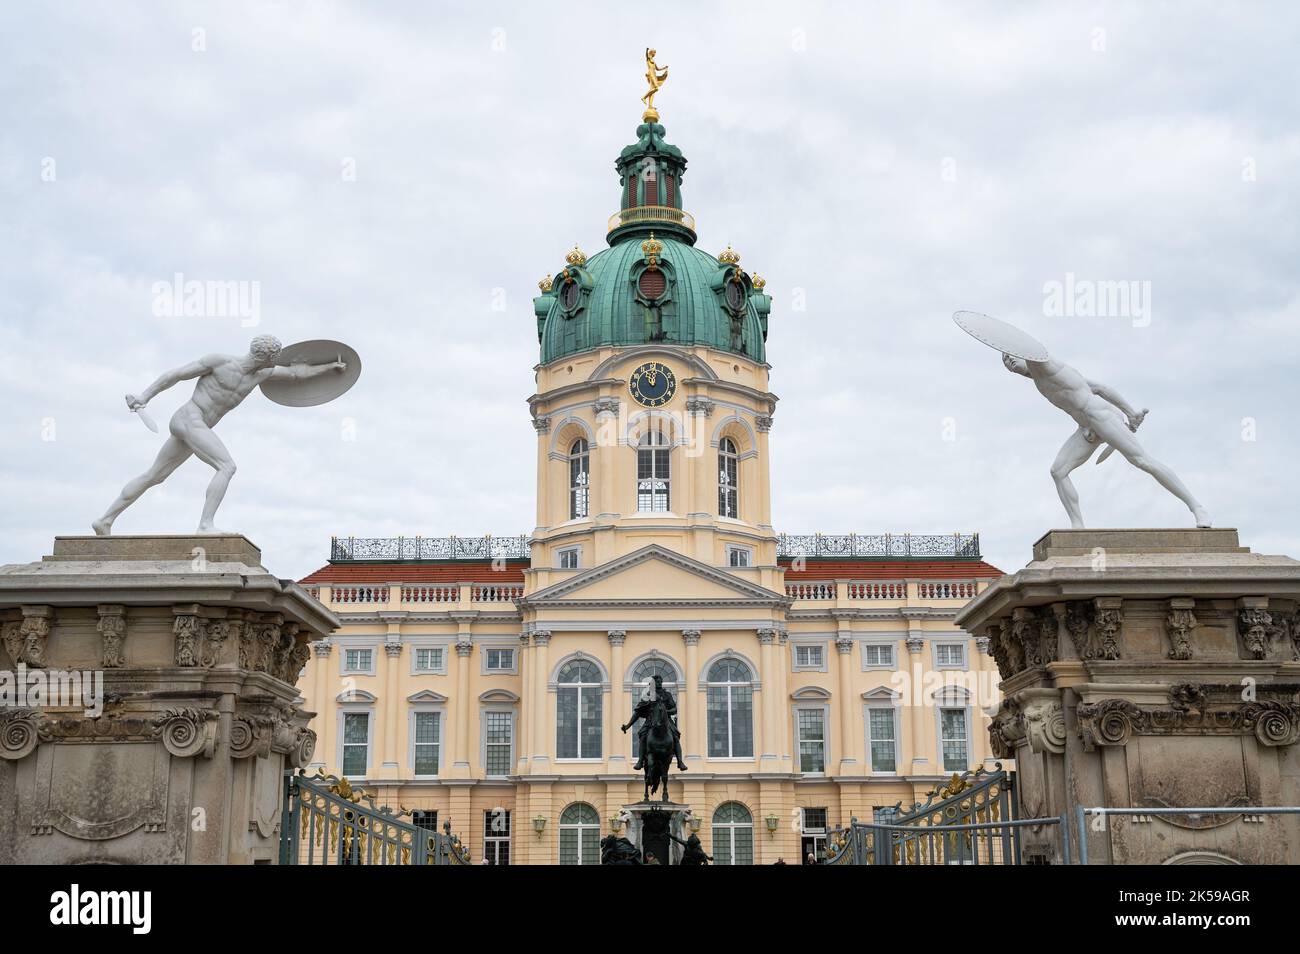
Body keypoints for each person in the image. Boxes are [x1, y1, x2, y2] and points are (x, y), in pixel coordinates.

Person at [93, 335, 346, 534]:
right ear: (266, 356)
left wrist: (331, 366)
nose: (276, 361)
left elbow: (295, 373)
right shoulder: (220, 362)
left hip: (197, 425)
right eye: (275, 357)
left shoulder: (262, 373)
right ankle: (205, 525)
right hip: (189, 418)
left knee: (154, 476)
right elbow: (176, 375)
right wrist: (144, 396)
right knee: (226, 466)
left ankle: (105, 520)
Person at [1001, 351, 1211, 529]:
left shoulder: (1048, 365)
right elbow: (1091, 385)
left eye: (1010, 355)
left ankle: (1197, 508)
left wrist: (1129, 413)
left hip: (1102, 416)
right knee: (1058, 471)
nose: (1008, 361)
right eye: (1005, 360)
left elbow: (1100, 389)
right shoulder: (1040, 381)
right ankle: (1078, 528)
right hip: (1086, 427)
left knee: (1142, 460)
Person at [622, 674, 688, 771]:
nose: (659, 683)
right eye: (656, 681)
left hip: (666, 721)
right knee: (643, 735)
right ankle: (640, 761)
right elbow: (638, 712)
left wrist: (666, 712)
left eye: (660, 681)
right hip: (651, 721)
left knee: (675, 736)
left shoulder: (667, 695)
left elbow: (674, 709)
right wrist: (628, 726)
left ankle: (680, 761)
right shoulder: (648, 696)